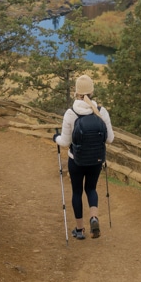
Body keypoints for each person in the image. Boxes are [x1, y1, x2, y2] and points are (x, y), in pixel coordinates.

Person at [53, 74, 114, 240]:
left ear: (76, 92)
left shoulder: (71, 113)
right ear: (92, 92)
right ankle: (94, 217)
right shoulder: (101, 112)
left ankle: (79, 230)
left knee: (77, 191)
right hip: (96, 160)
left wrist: (55, 138)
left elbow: (65, 142)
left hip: (76, 160)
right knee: (91, 189)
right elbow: (110, 139)